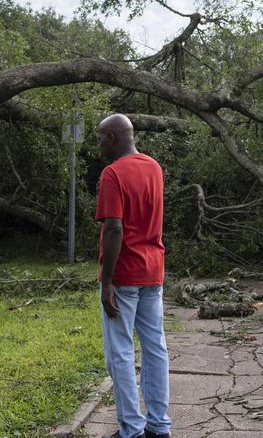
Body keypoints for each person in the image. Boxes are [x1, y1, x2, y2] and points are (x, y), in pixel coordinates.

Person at [94, 113, 172, 438]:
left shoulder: (112, 174)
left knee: (121, 354)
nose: (98, 144)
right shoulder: (154, 167)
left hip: (124, 276)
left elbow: (114, 228)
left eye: (100, 138)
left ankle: (132, 430)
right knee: (155, 349)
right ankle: (159, 426)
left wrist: (107, 281)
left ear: (112, 138)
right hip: (153, 271)